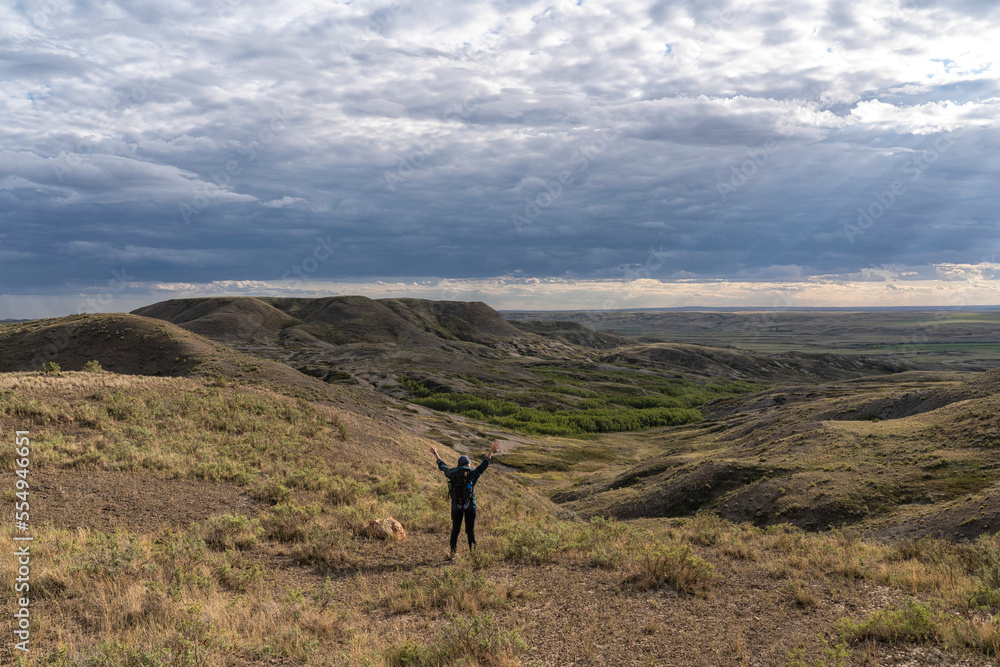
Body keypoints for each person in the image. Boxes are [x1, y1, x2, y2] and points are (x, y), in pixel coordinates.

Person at [429, 439, 500, 559]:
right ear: (468, 464)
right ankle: (473, 554)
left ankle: (453, 552)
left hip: (456, 506)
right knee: (470, 531)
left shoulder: (452, 473)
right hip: (470, 506)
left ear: (458, 464)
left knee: (455, 530)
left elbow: (442, 466)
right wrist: (491, 451)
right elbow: (484, 465)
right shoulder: (472, 474)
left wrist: (435, 453)